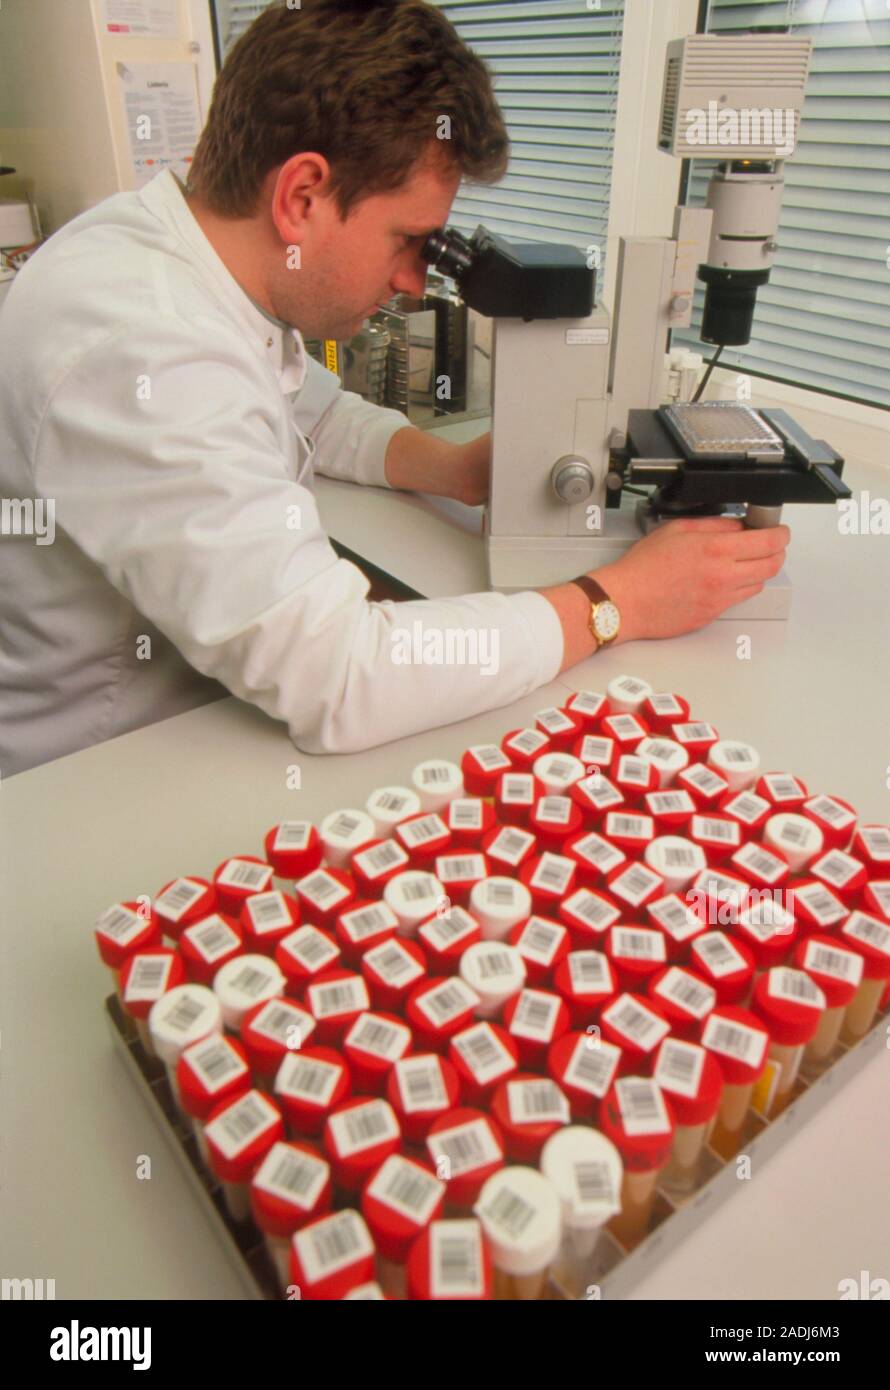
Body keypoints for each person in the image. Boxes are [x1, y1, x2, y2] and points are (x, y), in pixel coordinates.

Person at [0, 0, 789, 780]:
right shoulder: (146, 346)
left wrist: (453, 469)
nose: (415, 280)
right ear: (301, 197)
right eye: (408, 239)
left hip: (200, 702)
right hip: (98, 770)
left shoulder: (177, 250)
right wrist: (615, 603)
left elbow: (314, 413)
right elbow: (337, 675)